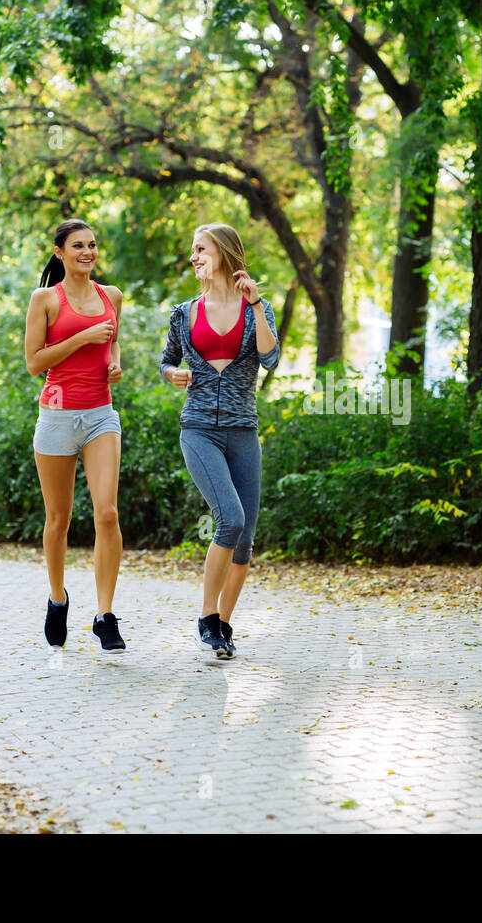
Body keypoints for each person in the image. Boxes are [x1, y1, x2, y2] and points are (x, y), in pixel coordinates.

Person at [159, 223, 279, 659]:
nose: (193, 258)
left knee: (245, 538)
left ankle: (224, 627)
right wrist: (171, 373)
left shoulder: (255, 311)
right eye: (193, 250)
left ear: (224, 254)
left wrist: (259, 305)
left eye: (200, 250)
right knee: (229, 517)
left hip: (243, 430)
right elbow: (166, 361)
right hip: (199, 430)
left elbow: (271, 359)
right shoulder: (185, 312)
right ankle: (208, 618)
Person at [24, 219, 126, 651]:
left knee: (107, 513)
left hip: (101, 414)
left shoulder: (112, 296)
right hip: (58, 417)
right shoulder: (45, 299)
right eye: (78, 245)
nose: (87, 251)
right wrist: (83, 336)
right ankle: (57, 597)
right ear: (59, 252)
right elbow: (34, 363)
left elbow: (112, 340)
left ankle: (104, 616)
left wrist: (114, 361)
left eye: (92, 245)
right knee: (58, 521)